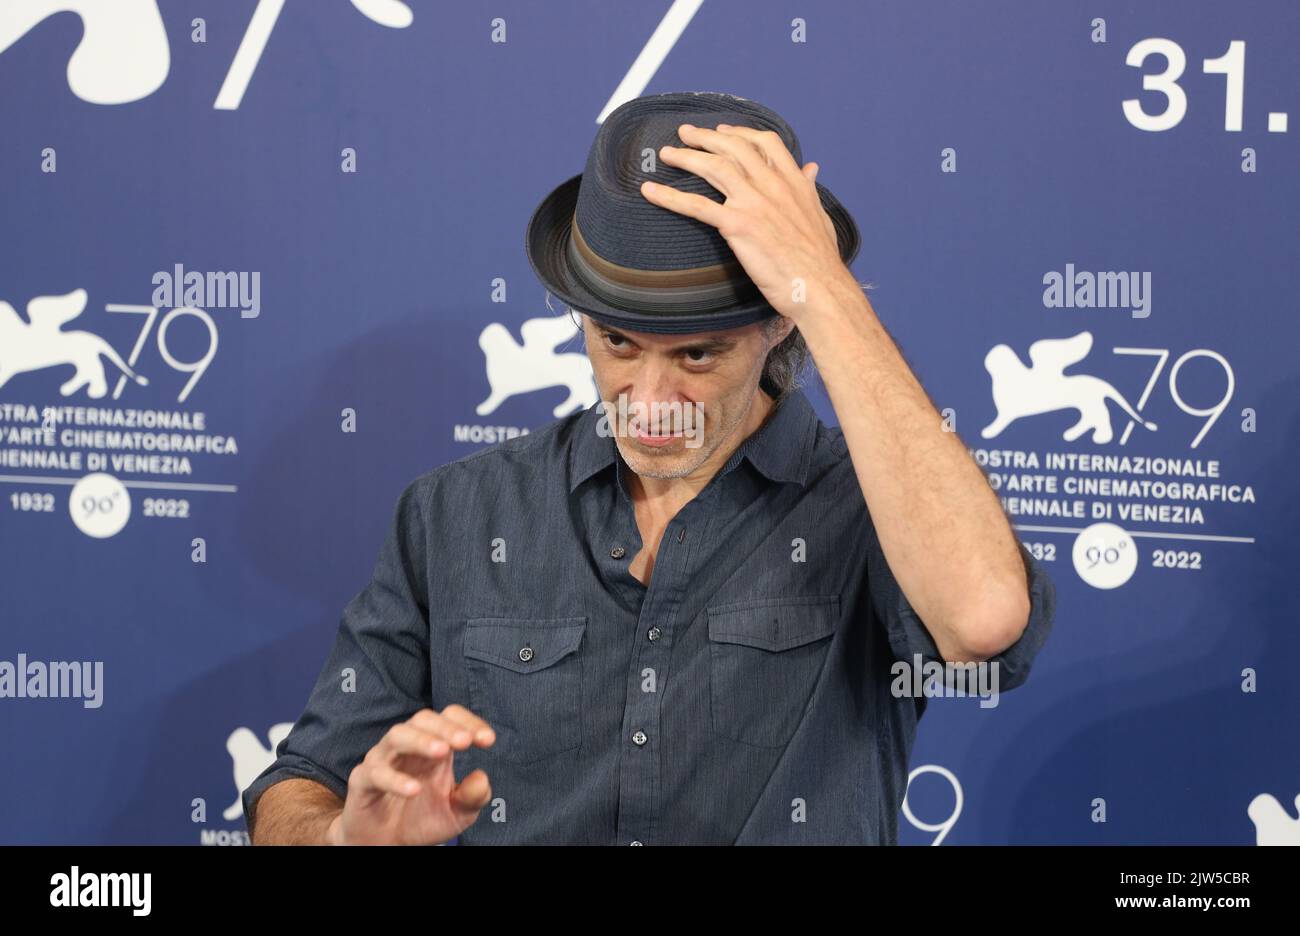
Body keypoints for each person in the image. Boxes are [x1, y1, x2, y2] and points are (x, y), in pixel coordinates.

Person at [244, 91, 1055, 845]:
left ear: (779, 325)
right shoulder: (455, 514)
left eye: (699, 354)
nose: (651, 399)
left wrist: (827, 291)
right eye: (617, 343)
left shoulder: (874, 510)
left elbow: (981, 626)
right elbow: (303, 784)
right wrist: (346, 836)